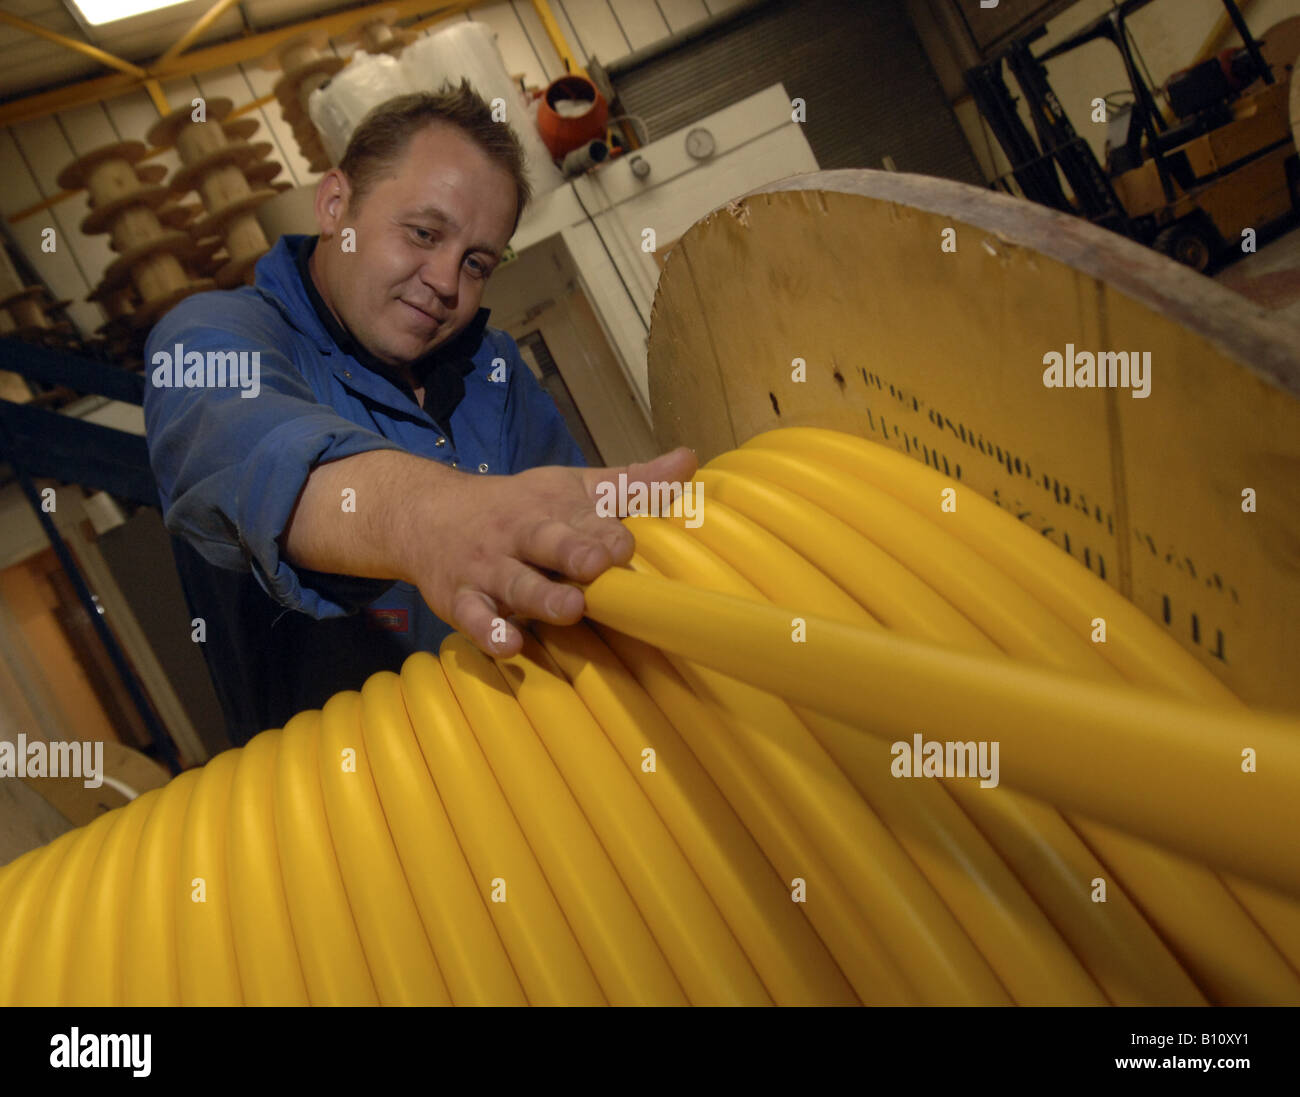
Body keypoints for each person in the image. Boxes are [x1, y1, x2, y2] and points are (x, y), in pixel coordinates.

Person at [143, 80, 695, 746]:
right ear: (335, 204)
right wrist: (429, 518)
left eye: (476, 262)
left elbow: (569, 558)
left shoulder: (493, 368)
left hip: (538, 756)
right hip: (354, 804)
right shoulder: (209, 338)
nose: (445, 282)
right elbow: (260, 453)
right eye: (424, 232)